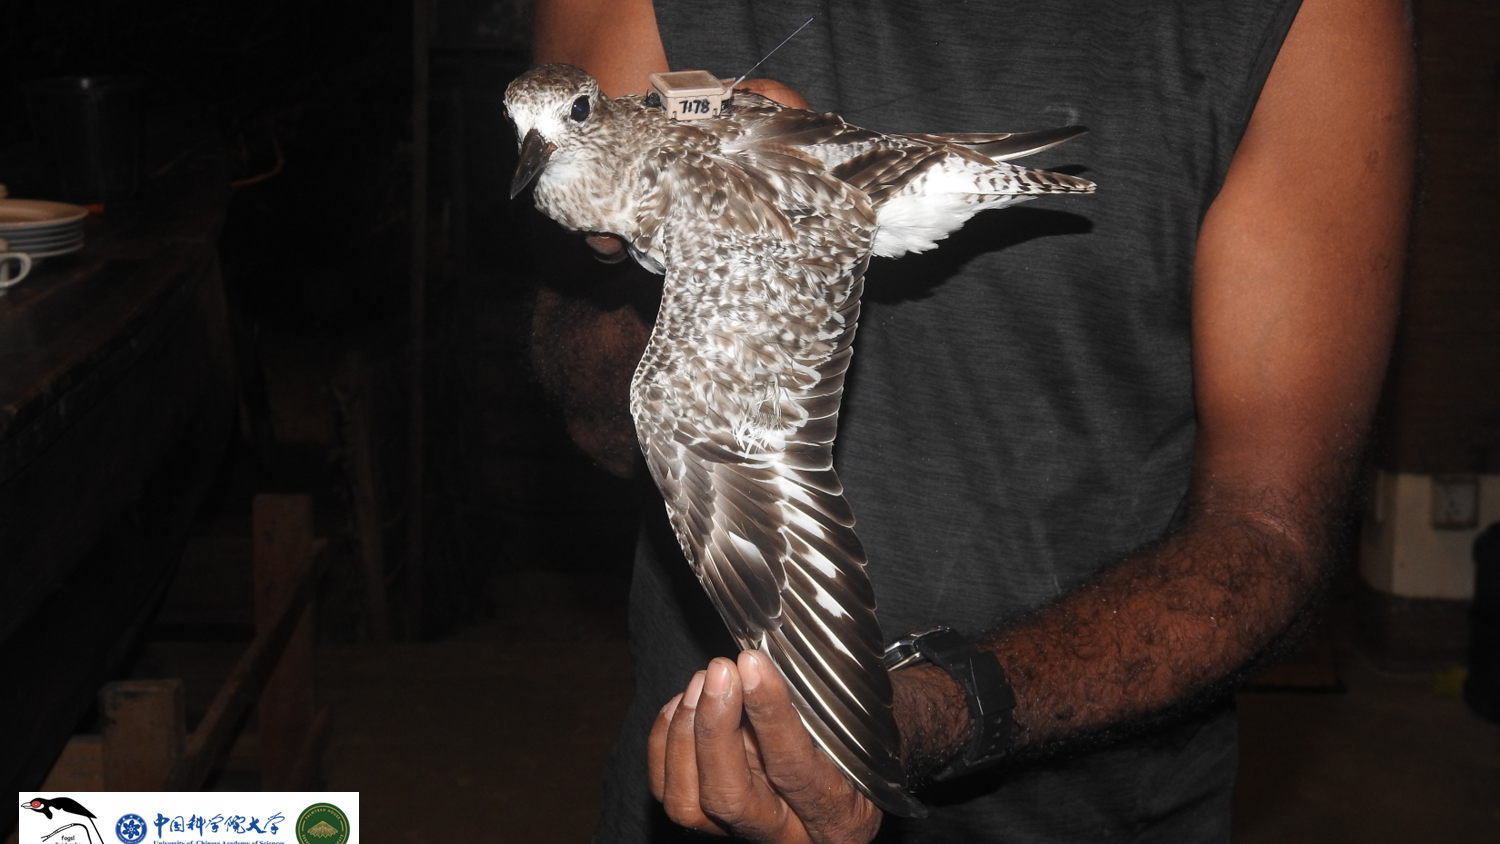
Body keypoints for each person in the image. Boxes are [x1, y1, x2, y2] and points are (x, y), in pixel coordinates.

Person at [525, 0, 1415, 841]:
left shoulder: (1307, 20)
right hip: (702, 790)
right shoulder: (589, 101)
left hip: (1102, 815)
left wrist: (920, 711)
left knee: (691, 422)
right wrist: (658, 262)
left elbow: (1270, 533)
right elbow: (592, 416)